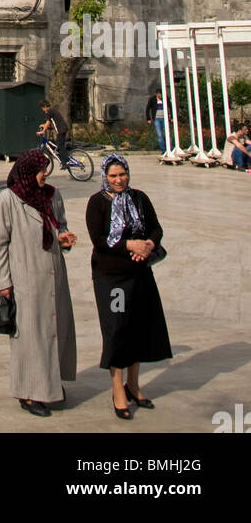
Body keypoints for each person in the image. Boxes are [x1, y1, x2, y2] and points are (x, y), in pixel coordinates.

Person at [0, 148, 78, 418]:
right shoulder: (8, 200)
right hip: (24, 276)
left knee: (53, 330)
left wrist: (64, 238)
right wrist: (4, 284)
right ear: (28, 171)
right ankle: (28, 392)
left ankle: (51, 384)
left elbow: (60, 225)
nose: (45, 175)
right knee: (30, 336)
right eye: (41, 171)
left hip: (52, 274)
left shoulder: (51, 195)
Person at [86, 153, 172, 418]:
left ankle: (133, 384)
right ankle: (117, 388)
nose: (118, 180)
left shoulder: (139, 198)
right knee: (117, 327)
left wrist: (147, 245)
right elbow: (99, 239)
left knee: (138, 327)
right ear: (105, 176)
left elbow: (155, 228)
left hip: (139, 275)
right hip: (113, 280)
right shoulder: (97, 202)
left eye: (122, 174)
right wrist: (128, 245)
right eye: (112, 176)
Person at [37, 99, 70, 169]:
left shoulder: (48, 112)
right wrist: (44, 125)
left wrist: (43, 131)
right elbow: (51, 123)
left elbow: (48, 122)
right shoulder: (53, 110)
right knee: (59, 145)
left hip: (61, 130)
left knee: (60, 145)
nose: (43, 110)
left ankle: (65, 162)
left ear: (45, 106)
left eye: (42, 108)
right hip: (63, 129)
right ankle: (64, 159)